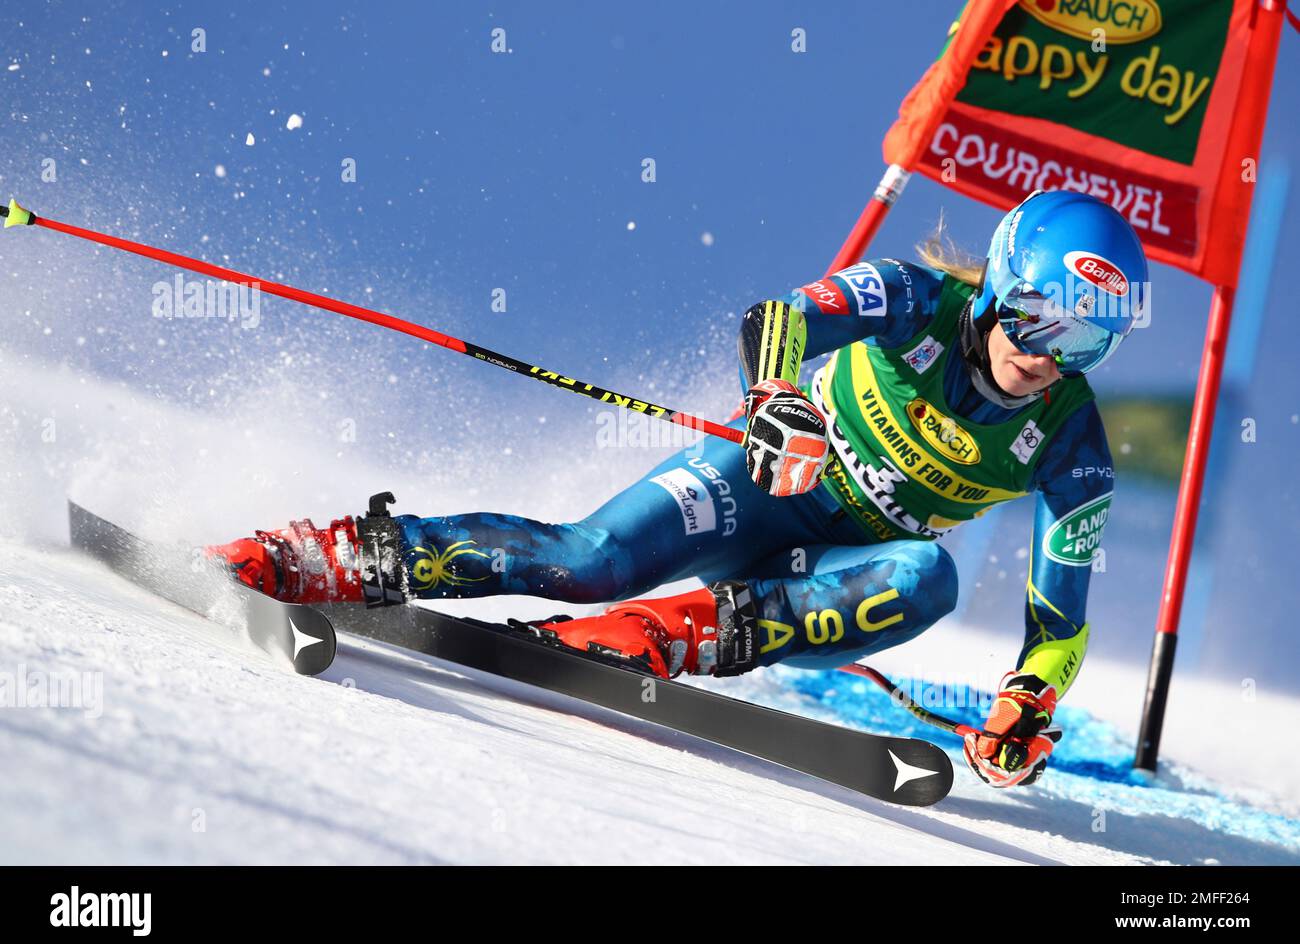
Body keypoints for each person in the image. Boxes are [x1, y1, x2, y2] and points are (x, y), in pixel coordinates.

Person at [207, 189, 1147, 788]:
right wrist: (778, 401)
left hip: (837, 575)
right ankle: (309, 557)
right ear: (997, 290)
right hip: (761, 482)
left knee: (928, 580)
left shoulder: (1073, 446)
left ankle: (644, 644)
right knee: (591, 560)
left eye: (1086, 343)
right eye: (1035, 321)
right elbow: (781, 316)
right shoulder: (914, 299)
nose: (1047, 357)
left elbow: (1059, 624)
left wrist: (1030, 696)